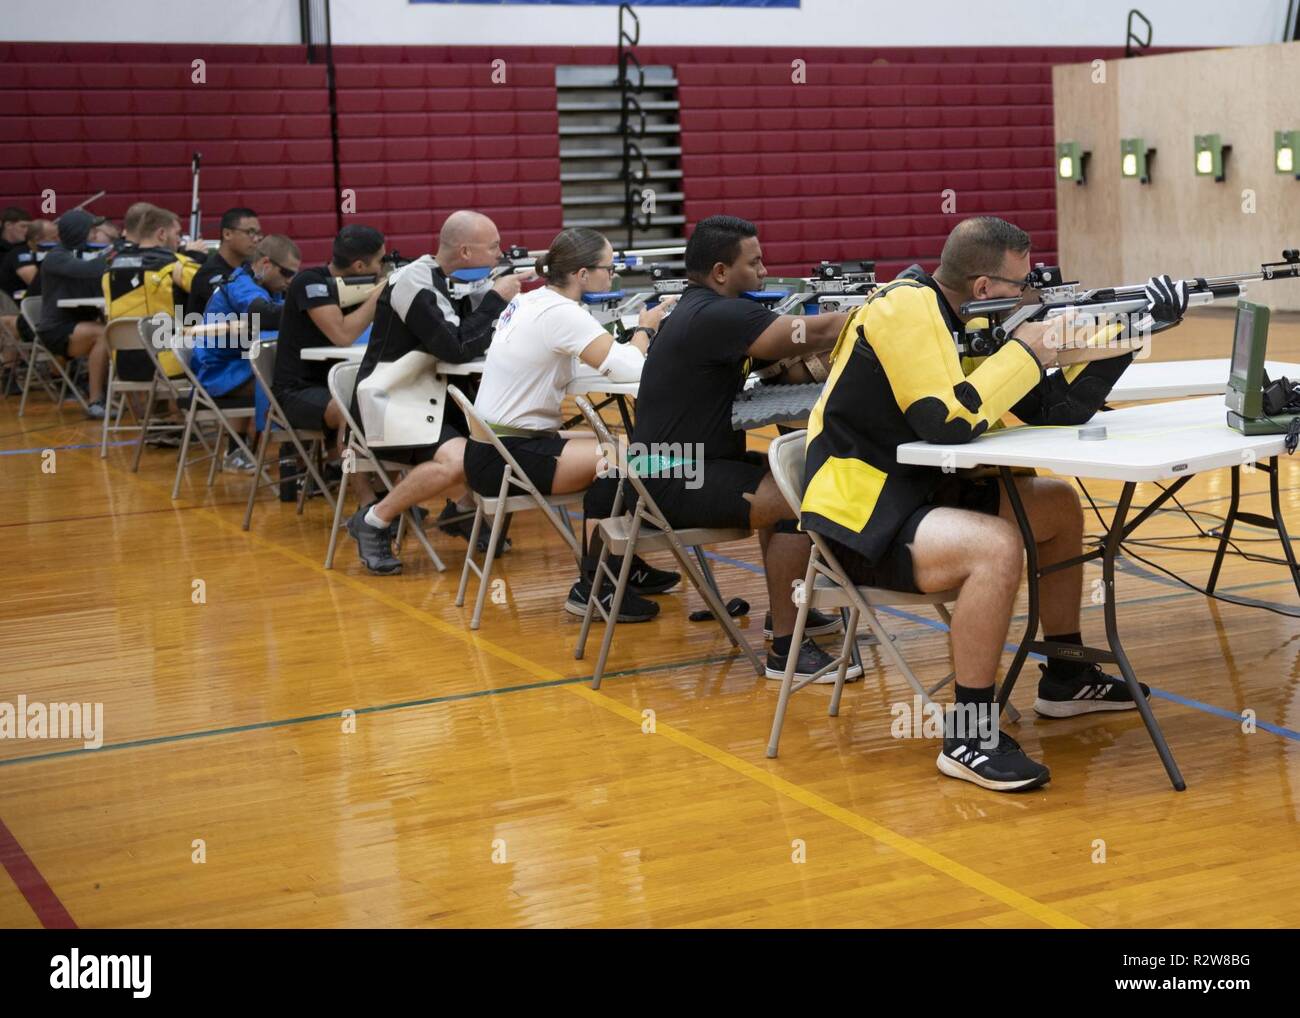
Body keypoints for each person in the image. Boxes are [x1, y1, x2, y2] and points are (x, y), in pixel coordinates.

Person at [800, 215, 1189, 792]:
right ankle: (969, 736)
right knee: (995, 548)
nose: (1030, 294)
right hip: (860, 516)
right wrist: (1028, 350)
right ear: (984, 288)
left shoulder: (972, 323)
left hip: (918, 495)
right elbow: (945, 421)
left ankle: (1065, 675)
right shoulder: (903, 308)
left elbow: (1058, 408)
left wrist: (1136, 329)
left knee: (1055, 507)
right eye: (1021, 284)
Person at [602, 215, 852, 679]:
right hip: (673, 477)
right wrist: (879, 310)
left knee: (789, 478)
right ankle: (785, 650)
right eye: (754, 262)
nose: (763, 270)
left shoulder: (697, 310)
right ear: (721, 272)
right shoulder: (719, 314)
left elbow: (784, 359)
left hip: (666, 467)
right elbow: (812, 333)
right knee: (798, 503)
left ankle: (786, 616)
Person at [454, 226, 680, 615]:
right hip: (506, 458)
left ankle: (624, 567)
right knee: (623, 463)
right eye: (608, 269)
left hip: (492, 449)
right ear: (581, 274)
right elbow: (630, 366)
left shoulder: (532, 300)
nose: (612, 276)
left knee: (621, 448)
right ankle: (597, 586)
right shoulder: (561, 313)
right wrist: (646, 328)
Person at [343, 210, 525, 574]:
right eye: (493, 247)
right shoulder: (413, 281)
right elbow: (456, 346)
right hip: (394, 402)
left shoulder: (463, 282)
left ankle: (461, 512)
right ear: (466, 252)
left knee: (515, 442)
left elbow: (479, 337)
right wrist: (495, 299)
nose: (500, 254)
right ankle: (374, 520)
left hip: (437, 398)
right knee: (458, 460)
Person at [271, 223, 386, 503]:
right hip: (296, 391)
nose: (384, 268)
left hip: (337, 383)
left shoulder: (353, 284)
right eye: (380, 261)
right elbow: (343, 334)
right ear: (359, 267)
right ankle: (366, 502)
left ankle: (388, 494)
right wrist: (378, 298)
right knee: (350, 410)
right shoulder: (309, 282)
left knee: (386, 402)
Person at [194, 234, 300, 471]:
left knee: (287, 373)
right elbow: (263, 314)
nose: (291, 281)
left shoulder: (269, 286)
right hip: (218, 371)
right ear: (265, 264)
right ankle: (292, 458)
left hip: (241, 364)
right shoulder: (241, 285)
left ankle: (293, 455)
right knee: (288, 383)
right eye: (287, 273)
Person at [35, 209, 112, 417]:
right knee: (104, 334)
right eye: (91, 229)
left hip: (77, 323)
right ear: (80, 232)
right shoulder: (56, 258)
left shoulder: (78, 255)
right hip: (56, 330)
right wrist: (116, 253)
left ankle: (119, 395)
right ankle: (96, 400)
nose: (95, 234)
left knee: (114, 329)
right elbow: (89, 270)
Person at [185, 207, 260, 318]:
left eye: (258, 233)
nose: (256, 239)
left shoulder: (249, 270)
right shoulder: (209, 275)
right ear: (227, 234)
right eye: (250, 232)